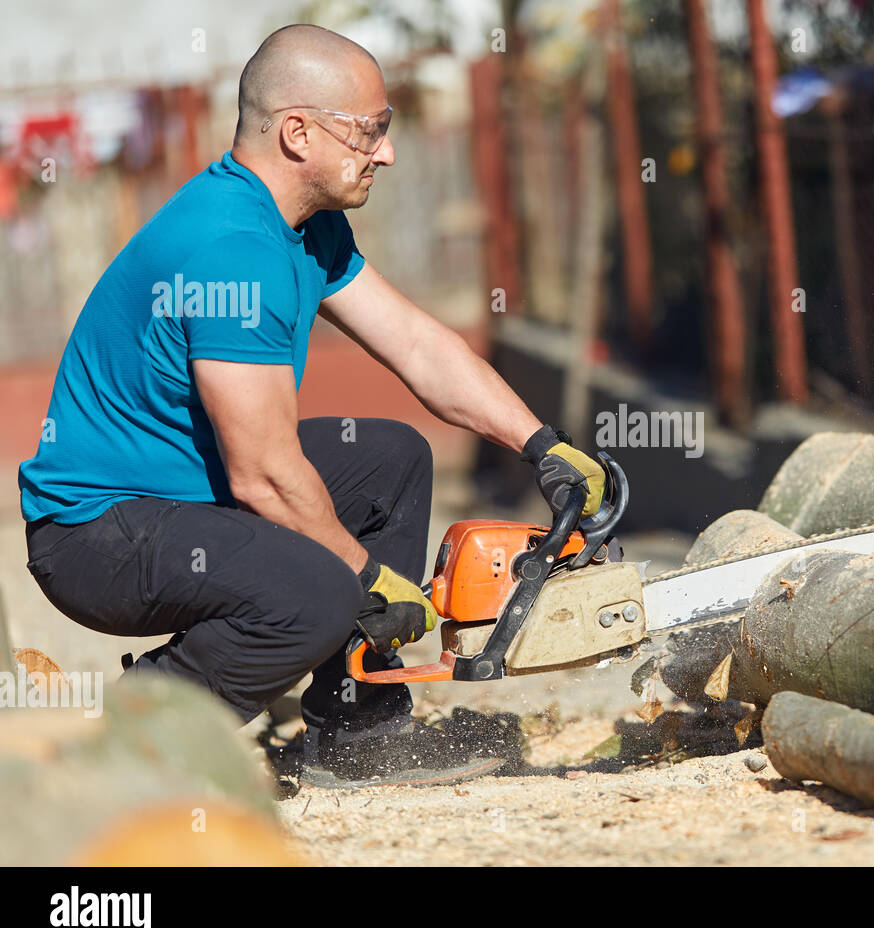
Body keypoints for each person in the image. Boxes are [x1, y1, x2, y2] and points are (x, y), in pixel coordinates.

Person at [18, 24, 605, 783]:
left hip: (180, 497)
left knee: (389, 459)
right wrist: (367, 579)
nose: (386, 153)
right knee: (318, 592)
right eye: (370, 131)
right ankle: (130, 747)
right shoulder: (235, 252)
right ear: (298, 132)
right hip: (94, 536)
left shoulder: (306, 229)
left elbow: (418, 347)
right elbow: (263, 475)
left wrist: (541, 446)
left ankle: (356, 732)